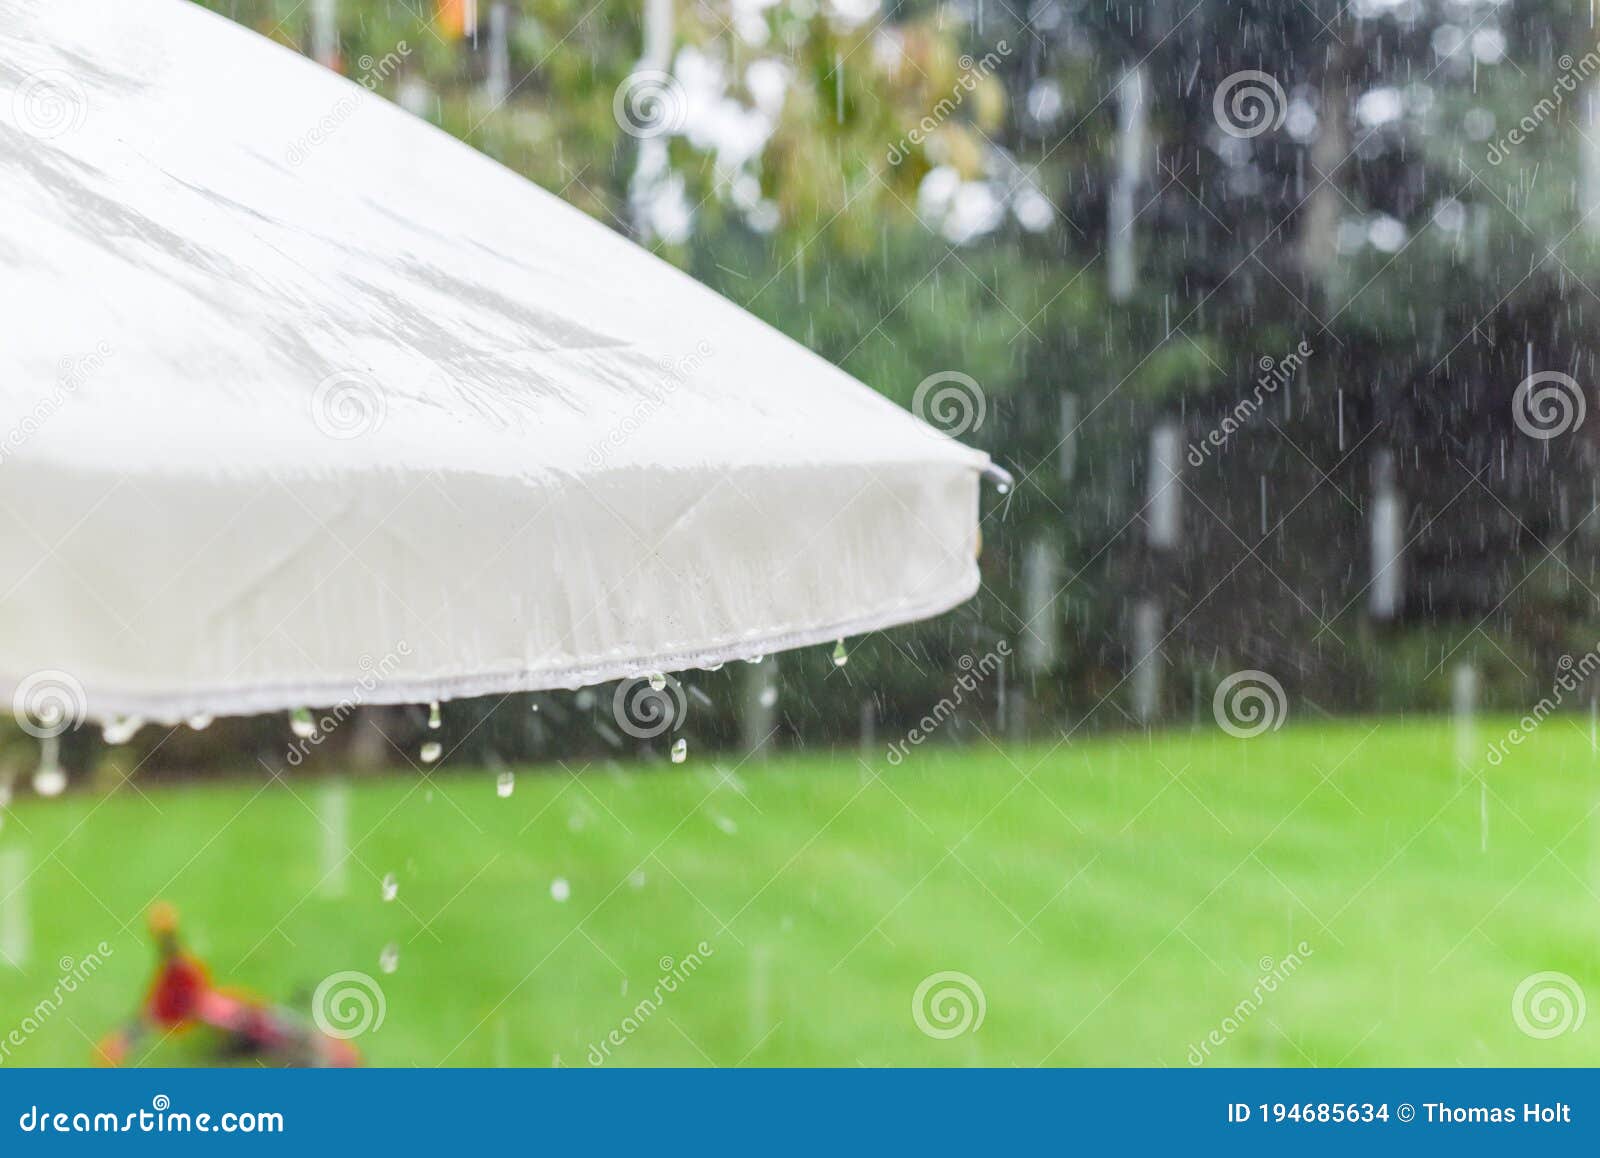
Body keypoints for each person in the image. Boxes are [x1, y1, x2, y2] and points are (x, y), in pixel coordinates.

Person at [96, 903, 359, 1067]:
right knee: (272, 1034)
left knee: (272, 1032)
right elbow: (151, 1016)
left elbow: (151, 1016)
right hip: (235, 1029)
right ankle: (325, 1052)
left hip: (237, 1026)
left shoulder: (184, 981)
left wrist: (120, 1042)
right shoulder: (182, 981)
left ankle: (324, 1052)